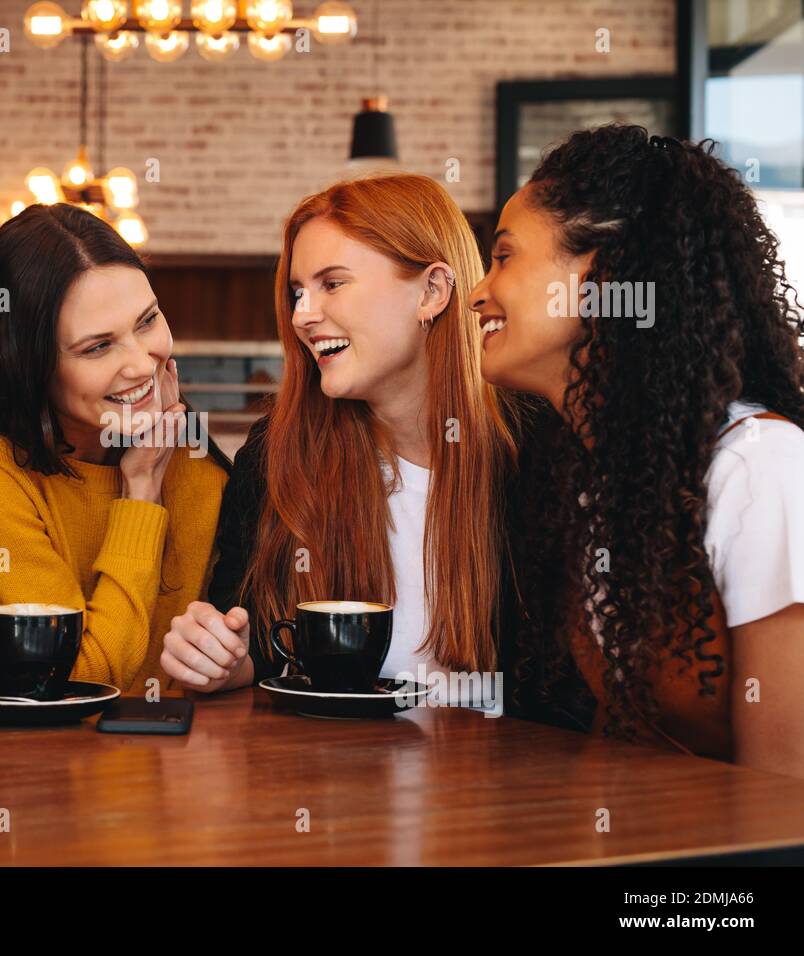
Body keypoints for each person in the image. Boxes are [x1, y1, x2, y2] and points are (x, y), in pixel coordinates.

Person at [472, 125, 804, 775]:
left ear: (600, 274)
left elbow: (783, 800)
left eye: (505, 257)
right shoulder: (591, 475)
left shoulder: (760, 466)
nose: (480, 291)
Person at [161, 175, 517, 700]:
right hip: (328, 771)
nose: (302, 315)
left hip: (507, 776)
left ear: (433, 291)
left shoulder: (529, 449)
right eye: (297, 292)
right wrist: (220, 659)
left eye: (332, 284)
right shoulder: (276, 453)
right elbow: (255, 642)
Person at [0, 203, 230, 695]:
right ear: (28, 362)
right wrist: (141, 494)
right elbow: (78, 681)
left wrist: (232, 660)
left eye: (147, 321)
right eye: (98, 347)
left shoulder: (193, 462)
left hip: (156, 757)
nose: (143, 365)